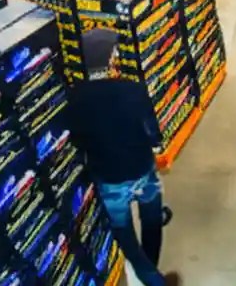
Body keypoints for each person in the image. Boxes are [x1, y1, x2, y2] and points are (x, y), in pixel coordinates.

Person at [67, 31, 179, 286]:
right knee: (152, 221)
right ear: (111, 58)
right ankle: (154, 272)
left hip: (109, 179)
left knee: (125, 236)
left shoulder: (75, 97)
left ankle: (149, 275)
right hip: (142, 170)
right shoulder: (132, 89)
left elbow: (78, 140)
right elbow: (152, 132)